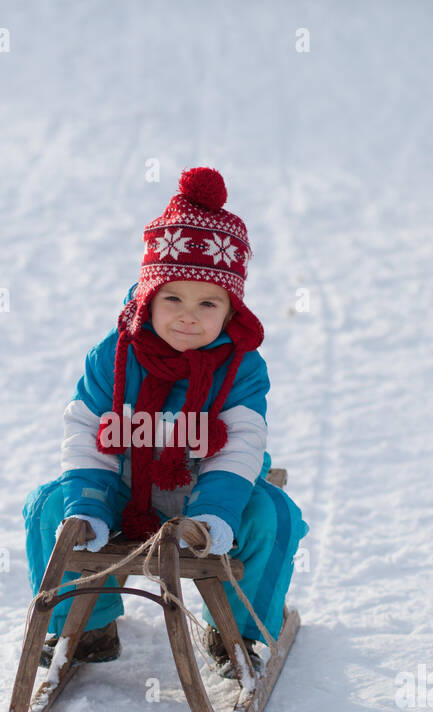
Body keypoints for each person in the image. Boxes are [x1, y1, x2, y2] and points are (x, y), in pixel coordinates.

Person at [22, 167, 308, 677]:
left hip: (207, 492)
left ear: (230, 310)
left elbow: (239, 443)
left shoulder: (241, 367)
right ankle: (85, 625)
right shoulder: (112, 357)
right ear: (149, 296)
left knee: (273, 517)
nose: (188, 316)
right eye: (172, 298)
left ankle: (238, 630)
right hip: (126, 486)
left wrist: (213, 515)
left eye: (208, 303)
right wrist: (86, 505)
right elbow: (86, 433)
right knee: (49, 509)